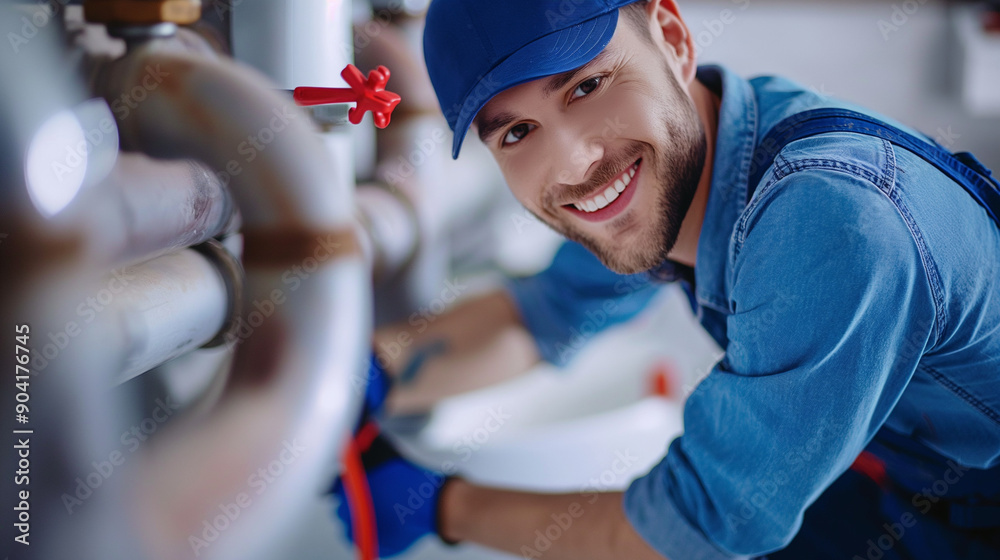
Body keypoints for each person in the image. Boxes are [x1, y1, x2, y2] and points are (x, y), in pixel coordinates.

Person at [333, 1, 1000, 558]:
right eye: (518, 133)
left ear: (674, 39)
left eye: (587, 86)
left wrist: (442, 508)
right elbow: (547, 313)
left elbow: (696, 529)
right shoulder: (688, 163)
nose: (574, 163)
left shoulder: (833, 222)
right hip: (906, 492)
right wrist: (358, 375)